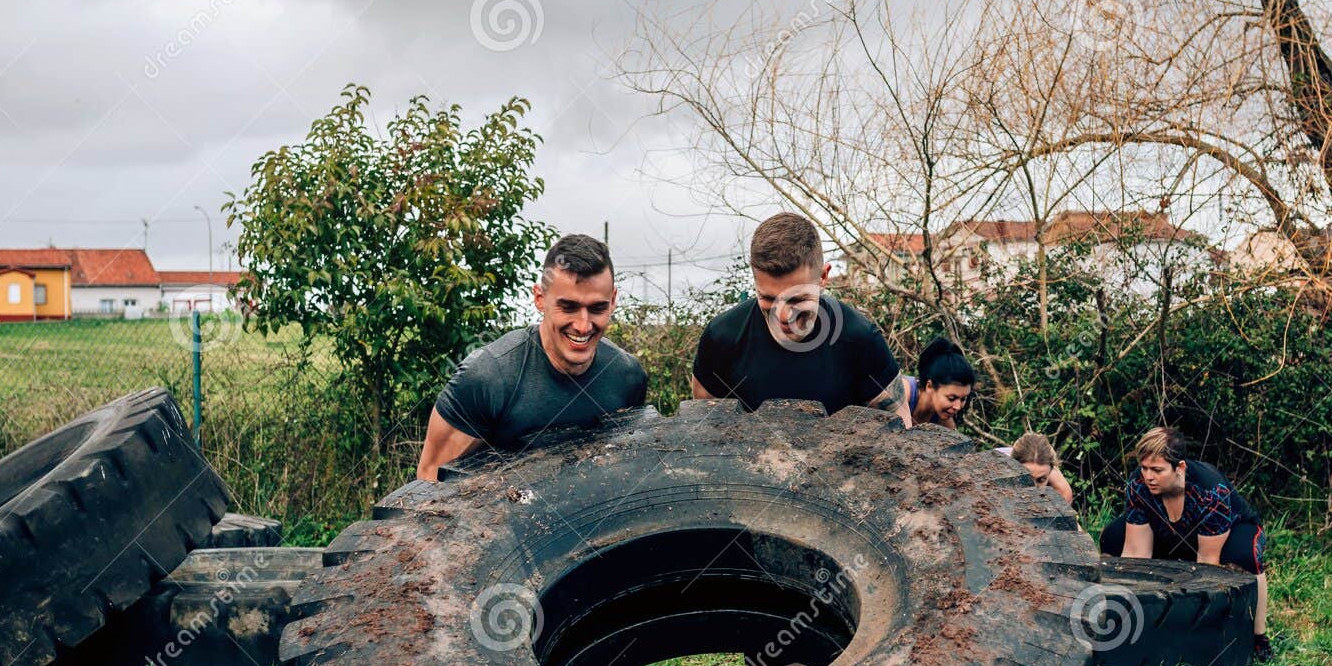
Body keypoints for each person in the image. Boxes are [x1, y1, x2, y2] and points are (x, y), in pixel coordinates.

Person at [415, 234, 648, 481]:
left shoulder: (626, 376)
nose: (583, 325)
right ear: (539, 298)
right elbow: (430, 480)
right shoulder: (486, 378)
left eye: (597, 308)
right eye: (568, 307)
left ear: (612, 301)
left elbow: (624, 466)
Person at [690, 212, 911, 426]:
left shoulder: (859, 338)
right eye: (768, 298)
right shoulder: (722, 337)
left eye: (797, 299)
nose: (783, 316)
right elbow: (705, 430)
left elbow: (899, 433)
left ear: (823, 277)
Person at [1100, 426, 1273, 661]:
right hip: (1174, 534)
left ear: (1179, 467)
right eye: (1144, 468)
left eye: (1157, 470)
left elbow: (1207, 565)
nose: (1148, 476)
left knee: (1246, 554)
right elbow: (1136, 554)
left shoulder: (1210, 490)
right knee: (1113, 537)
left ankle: (1259, 638)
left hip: (1228, 534)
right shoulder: (1139, 485)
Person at [906, 337, 975, 429]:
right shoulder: (903, 392)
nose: (957, 407)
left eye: (963, 399)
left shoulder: (946, 425)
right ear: (929, 386)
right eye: (951, 398)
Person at [1007, 432, 1074, 504]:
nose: (1034, 488)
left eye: (1040, 480)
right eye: (1026, 479)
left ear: (1050, 471)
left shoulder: (1063, 493)